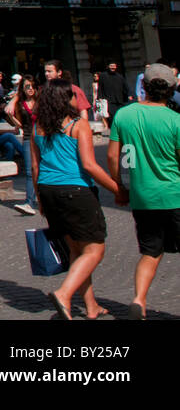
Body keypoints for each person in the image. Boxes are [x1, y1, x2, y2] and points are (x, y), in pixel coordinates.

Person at [32, 79, 122, 320]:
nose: (75, 98)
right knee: (95, 250)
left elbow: (35, 165)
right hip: (76, 191)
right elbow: (90, 166)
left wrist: (39, 197)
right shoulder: (78, 125)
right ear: (64, 98)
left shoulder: (38, 125)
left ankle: (91, 306)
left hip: (48, 191)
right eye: (72, 95)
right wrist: (116, 188)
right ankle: (64, 293)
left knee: (75, 250)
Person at [108, 63, 180, 320]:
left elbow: (113, 157)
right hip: (175, 195)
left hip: (142, 197)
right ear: (171, 89)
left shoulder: (124, 116)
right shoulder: (176, 121)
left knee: (151, 252)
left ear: (145, 87)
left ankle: (139, 300)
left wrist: (121, 187)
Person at [6, 76, 40, 216]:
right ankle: (29, 202)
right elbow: (19, 124)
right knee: (29, 170)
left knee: (46, 168)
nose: (30, 89)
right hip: (27, 137)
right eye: (27, 86)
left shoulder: (41, 100)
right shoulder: (20, 104)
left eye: (32, 86)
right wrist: (12, 116)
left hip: (42, 137)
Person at [99, 61, 129, 129]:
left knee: (120, 116)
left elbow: (125, 88)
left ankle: (120, 129)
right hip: (109, 100)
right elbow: (100, 87)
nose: (113, 67)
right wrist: (100, 97)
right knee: (112, 116)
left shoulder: (120, 77)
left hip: (120, 100)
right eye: (111, 66)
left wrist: (127, 96)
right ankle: (114, 129)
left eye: (114, 66)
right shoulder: (103, 76)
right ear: (108, 66)